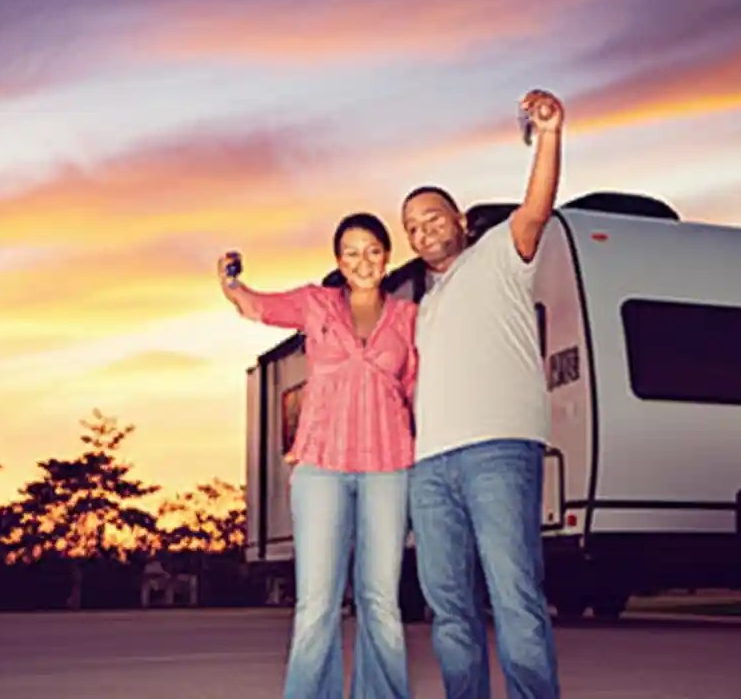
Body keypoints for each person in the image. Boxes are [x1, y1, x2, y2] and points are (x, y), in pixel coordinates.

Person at [401, 89, 565, 698]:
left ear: (461, 222)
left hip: (498, 451)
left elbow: (537, 206)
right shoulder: (421, 308)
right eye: (412, 228)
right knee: (448, 613)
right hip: (430, 467)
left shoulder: (501, 253)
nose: (423, 231)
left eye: (432, 217)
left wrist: (548, 134)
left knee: (514, 596)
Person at [217, 213, 418, 699]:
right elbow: (257, 307)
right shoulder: (316, 305)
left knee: (381, 602)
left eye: (372, 250)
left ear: (386, 257)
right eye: (351, 252)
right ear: (338, 261)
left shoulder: (408, 318)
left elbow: (414, 391)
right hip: (322, 466)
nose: (362, 260)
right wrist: (229, 280)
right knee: (316, 603)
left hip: (388, 468)